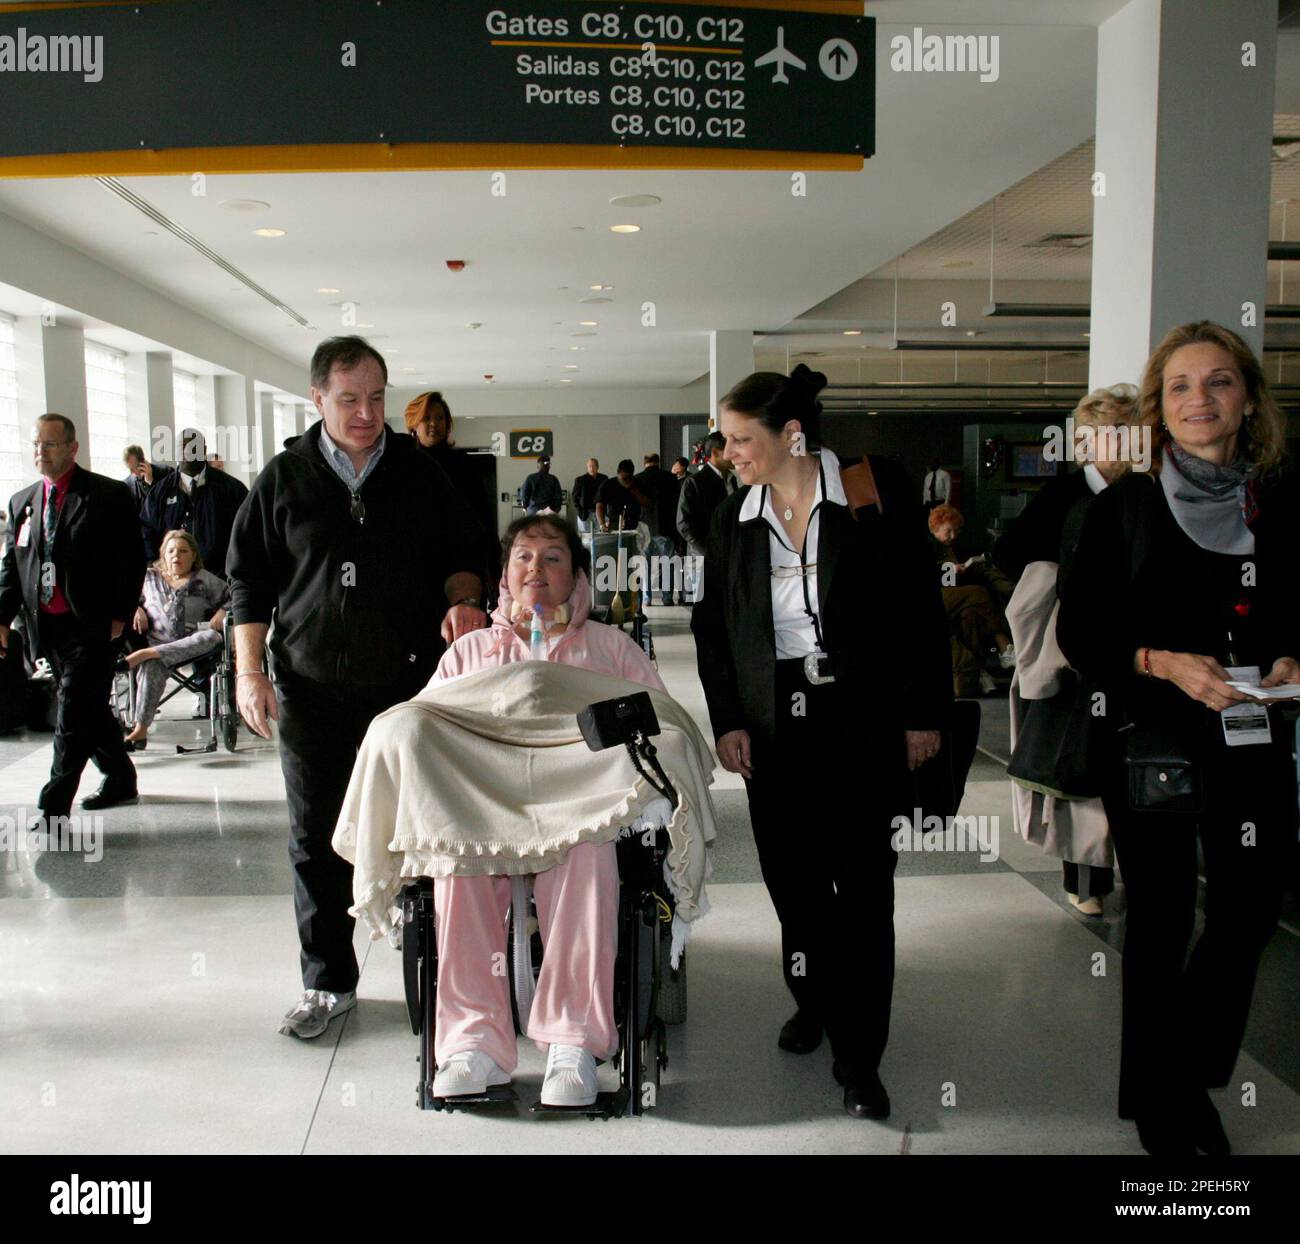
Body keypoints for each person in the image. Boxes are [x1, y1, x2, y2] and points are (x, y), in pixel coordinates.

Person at [1057, 321, 1300, 1157]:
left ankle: (1183, 1064)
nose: (1202, 400)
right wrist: (1161, 661)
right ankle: (1165, 1101)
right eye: (1182, 387)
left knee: (1250, 907)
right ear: (1160, 407)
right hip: (1150, 739)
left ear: (1247, 400)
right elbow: (1082, 637)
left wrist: (1291, 653)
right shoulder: (1123, 506)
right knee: (1159, 921)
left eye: (1220, 383)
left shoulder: (1280, 498)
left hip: (1254, 732)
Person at [691, 365, 951, 1121]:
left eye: (742, 439)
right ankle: (813, 997)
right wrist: (728, 720)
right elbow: (716, 629)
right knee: (794, 885)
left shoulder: (874, 493)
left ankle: (860, 1056)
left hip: (863, 716)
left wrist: (923, 715)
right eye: (727, 438)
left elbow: (920, 610)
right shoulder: (731, 517)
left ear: (791, 434)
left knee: (865, 888)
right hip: (776, 721)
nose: (727, 452)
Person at [226, 336, 488, 1041]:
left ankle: (439, 972)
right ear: (318, 400)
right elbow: (249, 582)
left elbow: (465, 555)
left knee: (419, 831)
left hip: (404, 690)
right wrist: (250, 673)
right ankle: (327, 982)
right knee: (315, 839)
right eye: (350, 400)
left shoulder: (419, 474)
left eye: (377, 398)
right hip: (309, 688)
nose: (368, 413)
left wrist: (464, 599)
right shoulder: (283, 479)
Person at [424, 514, 667, 1105]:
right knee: (459, 861)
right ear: (504, 577)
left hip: (578, 811)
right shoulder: (470, 653)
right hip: (487, 813)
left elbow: (661, 731)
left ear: (578, 575)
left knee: (585, 851)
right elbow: (422, 730)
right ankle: (473, 1042)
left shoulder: (612, 649)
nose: (537, 569)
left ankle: (572, 1039)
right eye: (524, 558)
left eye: (553, 557)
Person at [999, 384, 1147, 915]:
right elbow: (1009, 552)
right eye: (1105, 433)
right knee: (1077, 765)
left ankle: (1136, 865)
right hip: (1073, 651)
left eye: (1126, 431)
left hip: (1135, 647)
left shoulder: (1148, 494)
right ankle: (1085, 880)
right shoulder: (1063, 497)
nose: (1117, 443)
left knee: (1130, 760)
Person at [0, 415, 146, 819]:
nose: (39, 452)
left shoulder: (106, 495)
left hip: (94, 624)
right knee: (90, 708)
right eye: (35, 445)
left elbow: (131, 560)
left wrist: (121, 612)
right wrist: (1, 617)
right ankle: (120, 777)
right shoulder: (22, 502)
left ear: (72, 448)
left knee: (70, 710)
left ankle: (53, 806)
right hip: (45, 626)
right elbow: (13, 567)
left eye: (49, 445)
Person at [120, 529, 229, 749]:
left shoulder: (204, 579)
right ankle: (140, 731)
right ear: (163, 554)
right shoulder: (149, 577)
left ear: (193, 555)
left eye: (182, 551)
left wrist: (223, 611)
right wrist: (135, 609)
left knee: (212, 637)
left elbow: (235, 596)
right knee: (152, 664)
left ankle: (144, 654)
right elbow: (123, 597)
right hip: (159, 646)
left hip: (195, 645)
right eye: (170, 551)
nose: (176, 556)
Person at [404, 391, 498, 593]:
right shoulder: (404, 467)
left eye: (439, 418)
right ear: (414, 423)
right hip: (419, 567)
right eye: (426, 418)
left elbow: (483, 517)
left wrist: (493, 567)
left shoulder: (463, 465)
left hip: (464, 564)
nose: (433, 424)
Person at [928, 504, 1015, 695]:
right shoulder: (927, 547)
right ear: (935, 529)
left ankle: (977, 671)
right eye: (947, 531)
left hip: (957, 599)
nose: (953, 535)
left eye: (956, 531)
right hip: (933, 598)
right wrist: (949, 569)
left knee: (970, 614)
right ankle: (1003, 645)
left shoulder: (957, 548)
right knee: (978, 593)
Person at [141, 428, 248, 579]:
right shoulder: (159, 493)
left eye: (194, 447)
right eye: (183, 447)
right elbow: (146, 531)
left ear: (204, 450)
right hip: (173, 582)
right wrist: (156, 566)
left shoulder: (232, 490)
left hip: (221, 581)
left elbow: (247, 533)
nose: (189, 452)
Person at [633, 453, 681, 605]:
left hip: (644, 528)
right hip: (666, 527)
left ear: (645, 463)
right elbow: (676, 504)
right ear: (658, 462)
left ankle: (647, 598)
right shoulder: (671, 478)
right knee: (667, 564)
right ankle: (667, 598)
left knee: (645, 565)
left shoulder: (637, 479)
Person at [595, 459, 645, 533]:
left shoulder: (637, 483)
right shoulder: (608, 484)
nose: (626, 481)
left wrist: (633, 490)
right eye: (624, 478)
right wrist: (602, 524)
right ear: (618, 473)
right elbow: (600, 505)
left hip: (634, 525)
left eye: (629, 478)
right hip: (614, 524)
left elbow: (646, 503)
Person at [122, 444, 172, 514]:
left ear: (142, 462)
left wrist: (151, 482)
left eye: (134, 468)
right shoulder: (127, 484)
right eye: (129, 469)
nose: (132, 472)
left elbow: (169, 506)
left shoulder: (166, 473)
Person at [571, 457, 606, 534]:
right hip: (585, 513)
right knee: (585, 537)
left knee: (600, 535)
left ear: (597, 467)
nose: (591, 468)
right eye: (589, 466)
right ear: (587, 468)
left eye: (593, 466)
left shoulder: (604, 479)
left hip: (600, 513)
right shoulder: (580, 480)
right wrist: (579, 512)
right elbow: (574, 497)